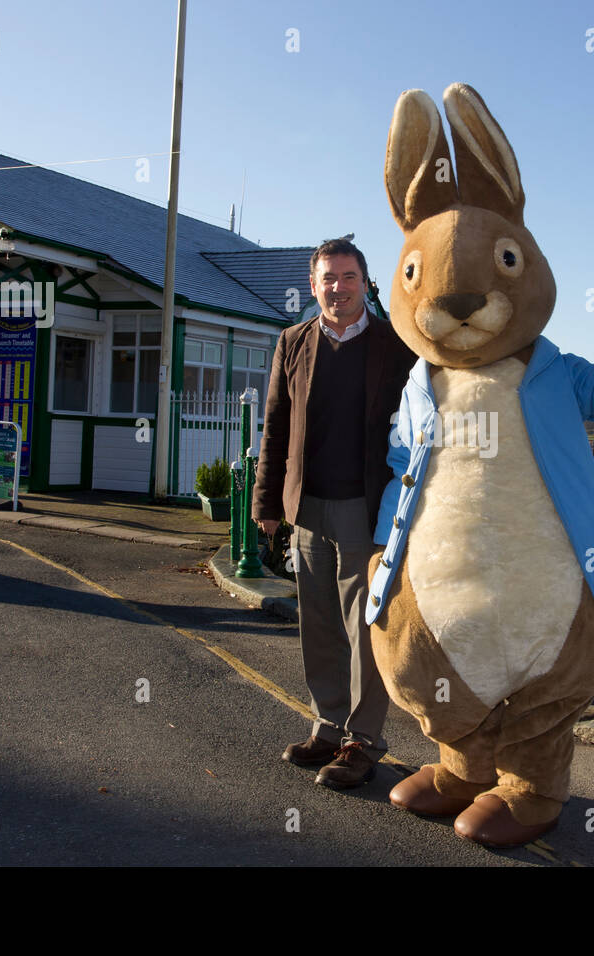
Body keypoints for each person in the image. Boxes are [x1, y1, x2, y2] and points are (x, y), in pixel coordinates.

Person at [253, 238, 416, 789]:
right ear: (314, 283)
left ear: (364, 283)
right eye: (328, 278)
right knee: (319, 624)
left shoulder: (397, 346)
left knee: (364, 627)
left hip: (367, 510)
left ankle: (363, 741)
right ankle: (327, 725)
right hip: (308, 508)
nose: (337, 288)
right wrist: (268, 505)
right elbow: (275, 426)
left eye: (348, 278)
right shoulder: (292, 342)